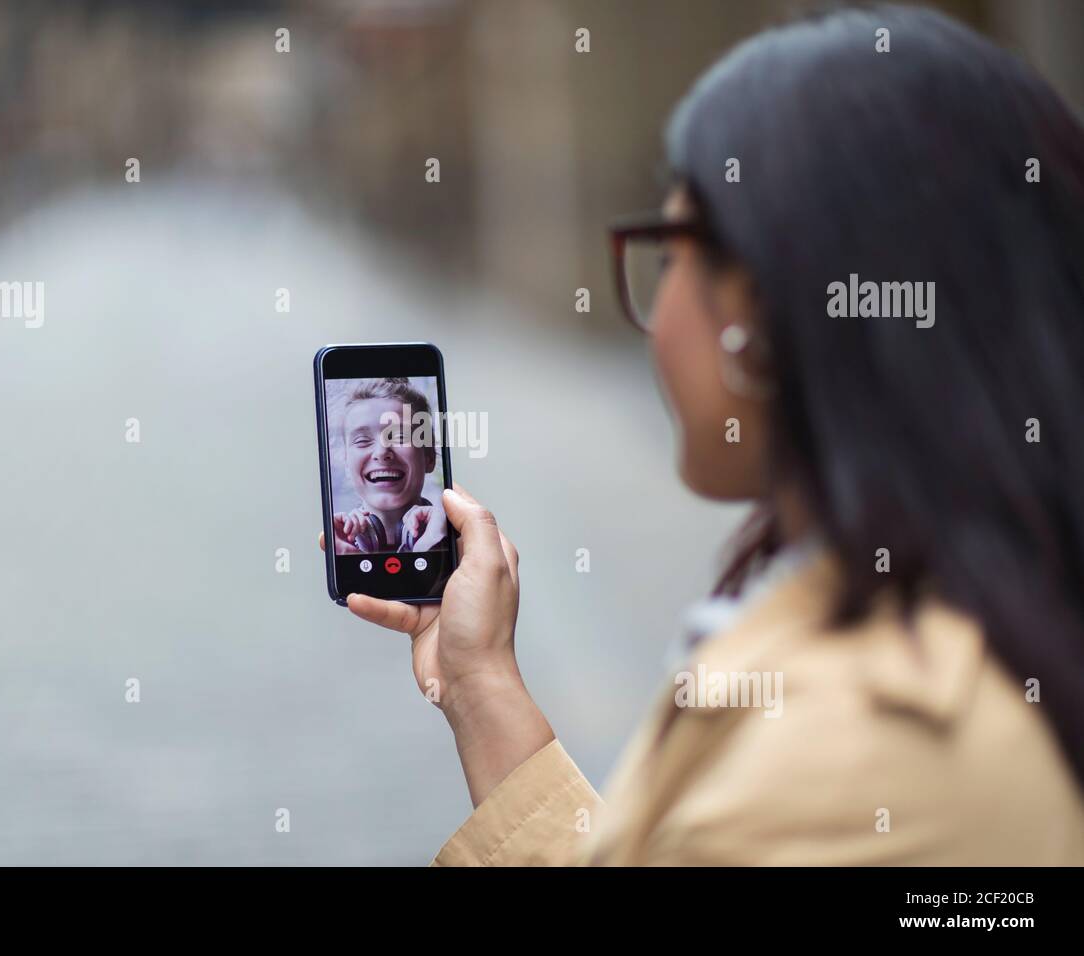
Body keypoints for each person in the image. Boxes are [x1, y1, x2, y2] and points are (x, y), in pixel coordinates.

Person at [325, 5, 1084, 864]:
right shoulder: (958, 620)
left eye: (668, 248)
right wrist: (478, 682)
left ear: (762, 305)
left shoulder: (860, 754)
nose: (652, 312)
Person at [332, 378, 448, 555]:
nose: (381, 452)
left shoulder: (453, 537)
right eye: (362, 440)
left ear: (429, 456)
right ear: (347, 463)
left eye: (400, 437)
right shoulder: (339, 543)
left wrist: (433, 548)